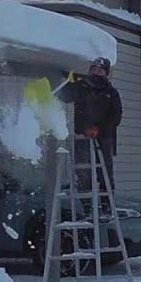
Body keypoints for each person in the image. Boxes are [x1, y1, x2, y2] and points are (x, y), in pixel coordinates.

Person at [59, 57, 123, 188]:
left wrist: (100, 129)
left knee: (105, 171)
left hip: (104, 138)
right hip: (82, 135)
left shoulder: (111, 92)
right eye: (93, 69)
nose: (96, 72)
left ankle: (106, 204)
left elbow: (116, 116)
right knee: (83, 171)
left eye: (100, 70)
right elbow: (64, 96)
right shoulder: (82, 87)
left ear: (106, 73)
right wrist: (70, 80)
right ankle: (86, 204)